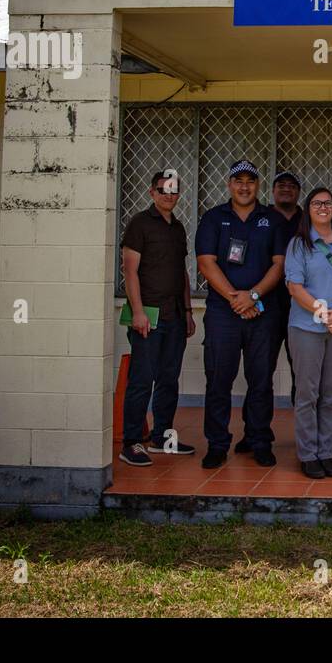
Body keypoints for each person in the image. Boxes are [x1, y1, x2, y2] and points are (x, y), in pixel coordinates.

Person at [194, 161, 289, 469]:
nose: (244, 186)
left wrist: (253, 296)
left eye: (250, 181)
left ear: (258, 185)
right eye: (238, 181)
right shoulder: (213, 218)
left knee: (261, 380)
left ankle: (259, 440)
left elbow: (279, 264)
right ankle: (217, 443)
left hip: (263, 312)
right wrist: (236, 298)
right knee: (219, 379)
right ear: (229, 184)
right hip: (224, 312)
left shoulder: (272, 219)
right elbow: (206, 263)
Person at [118, 170, 197, 466]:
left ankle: (163, 438)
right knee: (141, 380)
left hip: (175, 316)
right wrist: (137, 312)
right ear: (152, 192)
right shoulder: (140, 223)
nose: (169, 195)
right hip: (148, 316)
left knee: (168, 379)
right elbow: (130, 271)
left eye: (174, 190)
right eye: (163, 190)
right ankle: (131, 442)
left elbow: (183, 274)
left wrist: (188, 312)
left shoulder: (177, 228)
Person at [284, 187, 332, 479]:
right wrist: (324, 313)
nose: (323, 207)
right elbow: (294, 286)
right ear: (308, 209)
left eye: (328, 203)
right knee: (307, 393)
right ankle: (308, 454)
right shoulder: (298, 245)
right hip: (306, 327)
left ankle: (326, 452)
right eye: (317, 203)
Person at [268, 171, 302, 404]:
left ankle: (304, 435)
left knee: (301, 371)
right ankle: (258, 435)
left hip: (301, 307)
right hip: (268, 306)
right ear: (273, 191)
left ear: (299, 192)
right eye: (281, 185)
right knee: (261, 371)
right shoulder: (262, 217)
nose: (286, 189)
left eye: (292, 185)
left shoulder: (308, 219)